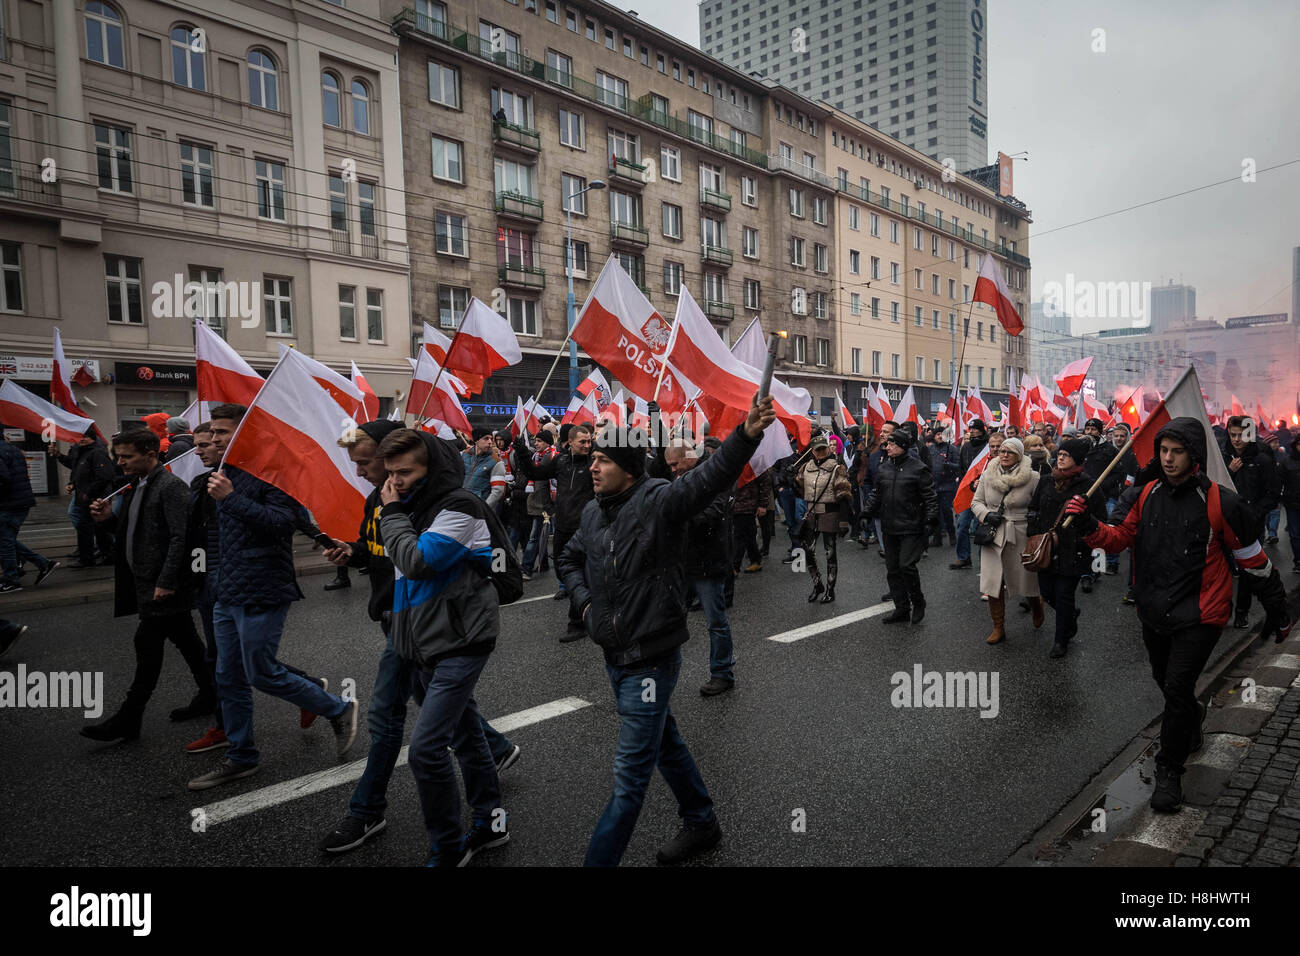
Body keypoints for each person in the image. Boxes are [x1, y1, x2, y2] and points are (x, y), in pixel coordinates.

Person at [558, 395, 776, 866]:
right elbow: (569, 558)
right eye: (591, 457)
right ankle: (701, 821)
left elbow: (707, 479)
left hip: (651, 661)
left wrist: (745, 434)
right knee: (666, 742)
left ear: (629, 467)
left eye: (602, 459)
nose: (592, 466)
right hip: (614, 655)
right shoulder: (596, 512)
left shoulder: (657, 501)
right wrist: (589, 605)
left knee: (628, 782)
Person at [1072, 417, 1293, 812]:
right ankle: (1192, 716)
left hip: (1202, 614)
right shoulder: (1144, 496)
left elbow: (1253, 560)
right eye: (1163, 451)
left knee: (1175, 688)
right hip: (1154, 611)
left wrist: (1278, 610)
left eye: (1177, 451)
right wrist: (1089, 523)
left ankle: (1169, 771)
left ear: (1194, 455)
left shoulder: (1222, 503)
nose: (1168, 458)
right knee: (1168, 684)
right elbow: (1118, 540)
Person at [187, 403, 359, 791]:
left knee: (259, 671)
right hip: (225, 589)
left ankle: (338, 709)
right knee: (227, 677)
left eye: (221, 433)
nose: (213, 440)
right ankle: (241, 756)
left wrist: (231, 498)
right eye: (211, 433)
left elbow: (282, 523)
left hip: (263, 584)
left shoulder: (270, 474)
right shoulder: (220, 474)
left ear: (244, 435)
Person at [374, 427, 510, 867]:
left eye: (406, 472)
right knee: (467, 736)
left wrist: (389, 512)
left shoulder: (459, 506)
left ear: (433, 468)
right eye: (391, 473)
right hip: (419, 642)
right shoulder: (410, 507)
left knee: (426, 750)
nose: (396, 482)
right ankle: (491, 820)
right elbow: (388, 564)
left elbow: (416, 562)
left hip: (461, 640)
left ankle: (447, 847)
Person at [81, 429, 214, 742]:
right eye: (119, 456)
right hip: (146, 584)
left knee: (148, 648)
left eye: (127, 456)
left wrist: (167, 581)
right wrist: (107, 521)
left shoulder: (169, 487)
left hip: (162, 587)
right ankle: (211, 694)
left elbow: (182, 537)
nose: (121, 462)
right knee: (190, 645)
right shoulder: (136, 485)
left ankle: (129, 717)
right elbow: (137, 533)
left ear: (150, 454)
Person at [651, 431, 738, 695]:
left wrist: (678, 516)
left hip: (708, 561)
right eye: (670, 466)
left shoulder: (714, 477)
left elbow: (713, 514)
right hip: (680, 563)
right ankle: (663, 673)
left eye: (675, 464)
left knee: (715, 621)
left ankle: (722, 672)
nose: (672, 470)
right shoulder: (677, 478)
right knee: (668, 618)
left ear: (689, 456)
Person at [513, 422, 595, 641]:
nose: (587, 445)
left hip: (585, 528)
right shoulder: (561, 461)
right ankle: (588, 603)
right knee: (562, 569)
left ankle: (577, 622)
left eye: (589, 441)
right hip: (564, 525)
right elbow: (535, 473)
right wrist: (521, 450)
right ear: (571, 442)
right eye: (583, 442)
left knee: (579, 574)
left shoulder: (595, 462)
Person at [1026, 437, 1107, 658]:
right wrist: (1034, 533)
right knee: (1046, 592)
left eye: (1066, 455)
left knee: (1063, 595)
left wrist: (1083, 529)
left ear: (1077, 460)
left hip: (1073, 550)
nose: (1060, 458)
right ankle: (1070, 615)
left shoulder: (1088, 486)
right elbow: (1033, 509)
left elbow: (1101, 518)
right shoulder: (1045, 481)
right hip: (1046, 548)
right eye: (1060, 454)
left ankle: (1061, 639)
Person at [971, 437, 1044, 644]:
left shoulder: (1033, 477)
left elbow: (1039, 505)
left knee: (1024, 580)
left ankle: (1036, 604)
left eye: (1009, 452)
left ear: (1019, 455)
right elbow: (976, 501)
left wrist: (1034, 519)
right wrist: (986, 514)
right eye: (1002, 451)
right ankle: (998, 627)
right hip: (993, 533)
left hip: (1020, 532)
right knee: (993, 582)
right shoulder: (988, 474)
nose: (1003, 454)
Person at [862, 427, 939, 623]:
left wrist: (931, 520)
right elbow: (876, 494)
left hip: (911, 526)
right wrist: (866, 513)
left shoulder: (919, 468)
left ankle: (918, 601)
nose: (887, 447)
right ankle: (902, 608)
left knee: (906, 566)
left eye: (891, 444)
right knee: (893, 569)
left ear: (903, 446)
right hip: (889, 526)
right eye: (887, 444)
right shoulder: (884, 468)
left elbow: (930, 497)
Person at [1223, 416, 1280, 629]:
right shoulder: (1222, 456)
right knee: (1222, 568)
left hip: (1251, 524)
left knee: (1247, 571)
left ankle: (1241, 612)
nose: (1237, 440)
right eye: (1233, 435)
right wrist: (1229, 471)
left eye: (1241, 435)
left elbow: (1272, 493)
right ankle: (1223, 609)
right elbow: (1213, 485)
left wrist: (1256, 513)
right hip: (1225, 521)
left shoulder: (1262, 459)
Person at [794, 435, 853, 603]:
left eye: (823, 448)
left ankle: (830, 590)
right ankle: (817, 583)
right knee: (807, 551)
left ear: (827, 448)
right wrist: (791, 479)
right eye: (817, 449)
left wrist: (843, 521)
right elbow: (799, 492)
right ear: (812, 451)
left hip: (830, 514)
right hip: (811, 515)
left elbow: (844, 496)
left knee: (830, 554)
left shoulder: (837, 468)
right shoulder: (806, 466)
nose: (820, 452)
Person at [1, 434, 59, 593]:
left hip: (8, 504)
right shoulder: (13, 450)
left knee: (5, 542)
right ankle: (43, 564)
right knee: (6, 539)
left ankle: (11, 579)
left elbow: (3, 478)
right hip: (18, 502)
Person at [50, 432, 117, 568]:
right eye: (79, 437)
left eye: (85, 437)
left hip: (95, 497)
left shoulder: (97, 453)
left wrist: (88, 492)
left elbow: (105, 476)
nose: (81, 440)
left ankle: (98, 556)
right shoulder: (82, 452)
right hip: (86, 497)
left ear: (92, 439)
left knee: (95, 527)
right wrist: (73, 483)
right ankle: (94, 556)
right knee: (90, 527)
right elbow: (78, 470)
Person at [951, 419, 989, 569]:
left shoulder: (988, 446)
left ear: (982, 430)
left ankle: (984, 561)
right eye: (970, 429)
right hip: (967, 491)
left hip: (984, 491)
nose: (972, 431)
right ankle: (963, 557)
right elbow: (962, 469)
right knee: (962, 526)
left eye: (975, 429)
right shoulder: (966, 447)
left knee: (982, 528)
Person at [519, 430, 557, 577]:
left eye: (539, 441)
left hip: (543, 504)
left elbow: (537, 477)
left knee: (534, 537)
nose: (536, 444)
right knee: (540, 535)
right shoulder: (536, 456)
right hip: (536, 502)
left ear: (547, 442)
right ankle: (544, 563)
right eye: (535, 441)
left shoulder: (548, 458)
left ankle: (526, 568)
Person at [730, 462, 771, 576]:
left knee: (739, 535)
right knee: (749, 534)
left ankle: (735, 566)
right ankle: (756, 560)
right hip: (735, 503)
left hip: (747, 504)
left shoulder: (756, 460)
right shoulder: (734, 458)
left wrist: (763, 504)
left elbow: (765, 483)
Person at [928, 424, 961, 548]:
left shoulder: (952, 449)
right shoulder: (930, 449)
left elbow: (959, 466)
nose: (939, 436)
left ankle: (952, 534)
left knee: (947, 511)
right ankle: (937, 538)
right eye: (937, 434)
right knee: (935, 513)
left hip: (947, 486)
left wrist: (949, 465)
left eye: (942, 434)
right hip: (933, 486)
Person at [1279, 431, 1300, 574]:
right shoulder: (1287, 461)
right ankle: (1298, 560)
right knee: (1295, 534)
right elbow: (1279, 481)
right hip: (1293, 503)